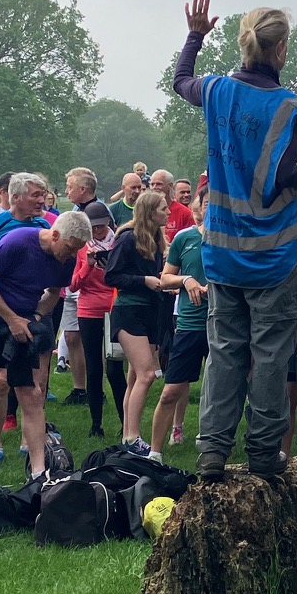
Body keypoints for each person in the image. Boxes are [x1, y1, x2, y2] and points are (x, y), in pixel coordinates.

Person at [170, 0, 297, 475]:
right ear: (280, 50)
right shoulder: (289, 106)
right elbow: (281, 174)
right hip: (273, 255)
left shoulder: (216, 89)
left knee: (224, 353)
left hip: (221, 250)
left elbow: (180, 80)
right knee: (271, 356)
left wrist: (195, 35)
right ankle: (262, 452)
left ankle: (213, 451)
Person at [0, 210, 86, 487]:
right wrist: (11, 318)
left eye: (77, 250)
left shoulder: (67, 258)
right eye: (70, 248)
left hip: (21, 325)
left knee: (32, 395)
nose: (71, 256)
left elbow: (53, 293)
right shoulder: (18, 241)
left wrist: (34, 317)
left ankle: (39, 474)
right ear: (55, 235)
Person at [105, 189, 171, 454]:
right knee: (146, 373)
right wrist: (145, 281)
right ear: (150, 212)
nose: (168, 212)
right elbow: (111, 276)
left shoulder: (155, 239)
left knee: (135, 377)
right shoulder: (127, 238)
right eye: (163, 208)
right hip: (129, 311)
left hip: (151, 311)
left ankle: (128, 437)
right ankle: (132, 437)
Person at [152, 187, 210, 456]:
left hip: (225, 325)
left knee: (225, 392)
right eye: (208, 204)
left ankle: (216, 446)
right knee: (171, 390)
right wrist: (186, 280)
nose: (212, 209)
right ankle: (154, 453)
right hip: (190, 323)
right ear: (200, 207)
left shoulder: (236, 240)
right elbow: (165, 279)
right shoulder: (184, 238)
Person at [71, 204, 128, 440]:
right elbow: (73, 284)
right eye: (93, 227)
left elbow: (125, 278)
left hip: (115, 308)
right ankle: (96, 424)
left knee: (115, 369)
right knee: (94, 369)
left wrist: (110, 268)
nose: (98, 231)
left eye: (102, 226)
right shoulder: (82, 248)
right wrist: (88, 265)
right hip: (89, 310)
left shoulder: (119, 244)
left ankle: (126, 423)